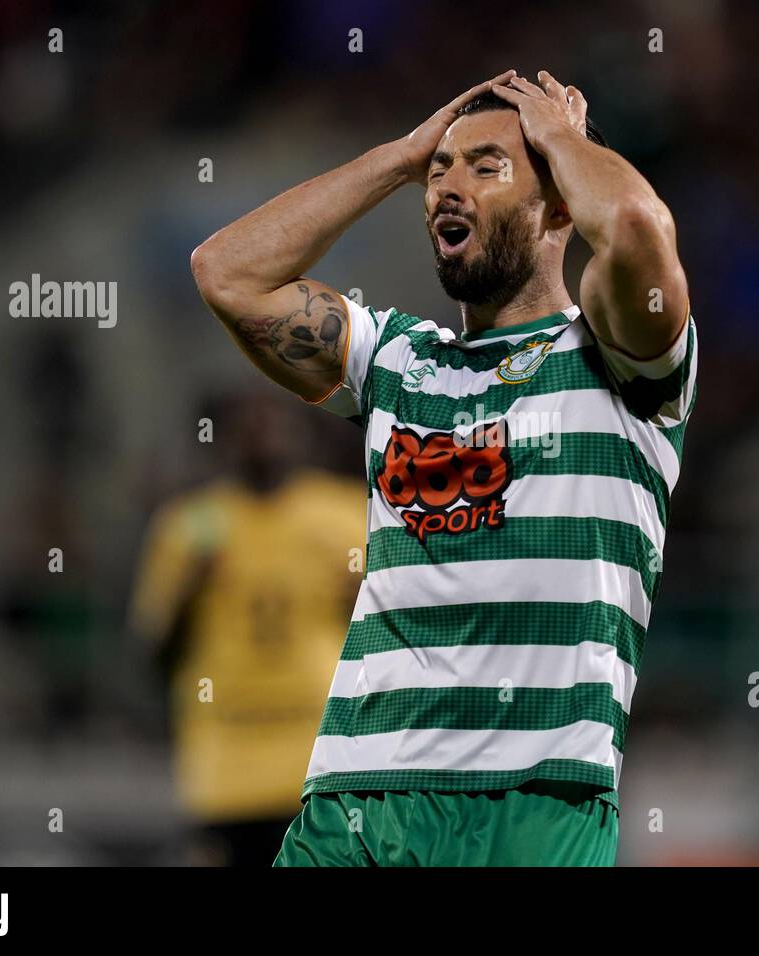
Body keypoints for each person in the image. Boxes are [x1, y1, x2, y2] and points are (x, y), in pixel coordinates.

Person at [191, 69, 695, 866]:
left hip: (534, 803)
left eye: (486, 168)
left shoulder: (616, 360)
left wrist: (562, 136)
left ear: (559, 201)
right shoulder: (394, 359)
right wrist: (400, 157)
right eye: (440, 174)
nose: (447, 190)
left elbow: (634, 224)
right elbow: (228, 272)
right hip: (358, 800)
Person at [129, 390, 364, 865]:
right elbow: (151, 652)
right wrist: (189, 592)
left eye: (274, 422)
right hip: (224, 765)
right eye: (245, 424)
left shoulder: (346, 516)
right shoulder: (190, 525)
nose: (261, 435)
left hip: (318, 755)